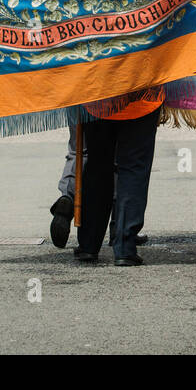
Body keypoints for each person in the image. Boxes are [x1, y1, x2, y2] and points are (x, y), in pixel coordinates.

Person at [71, 89, 163, 266]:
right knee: (134, 167)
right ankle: (125, 247)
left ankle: (88, 245)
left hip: (98, 94)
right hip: (143, 96)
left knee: (97, 165)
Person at [48, 126, 149, 250]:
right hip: (103, 110)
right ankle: (119, 226)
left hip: (77, 107)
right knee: (116, 156)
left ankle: (68, 196)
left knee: (78, 151)